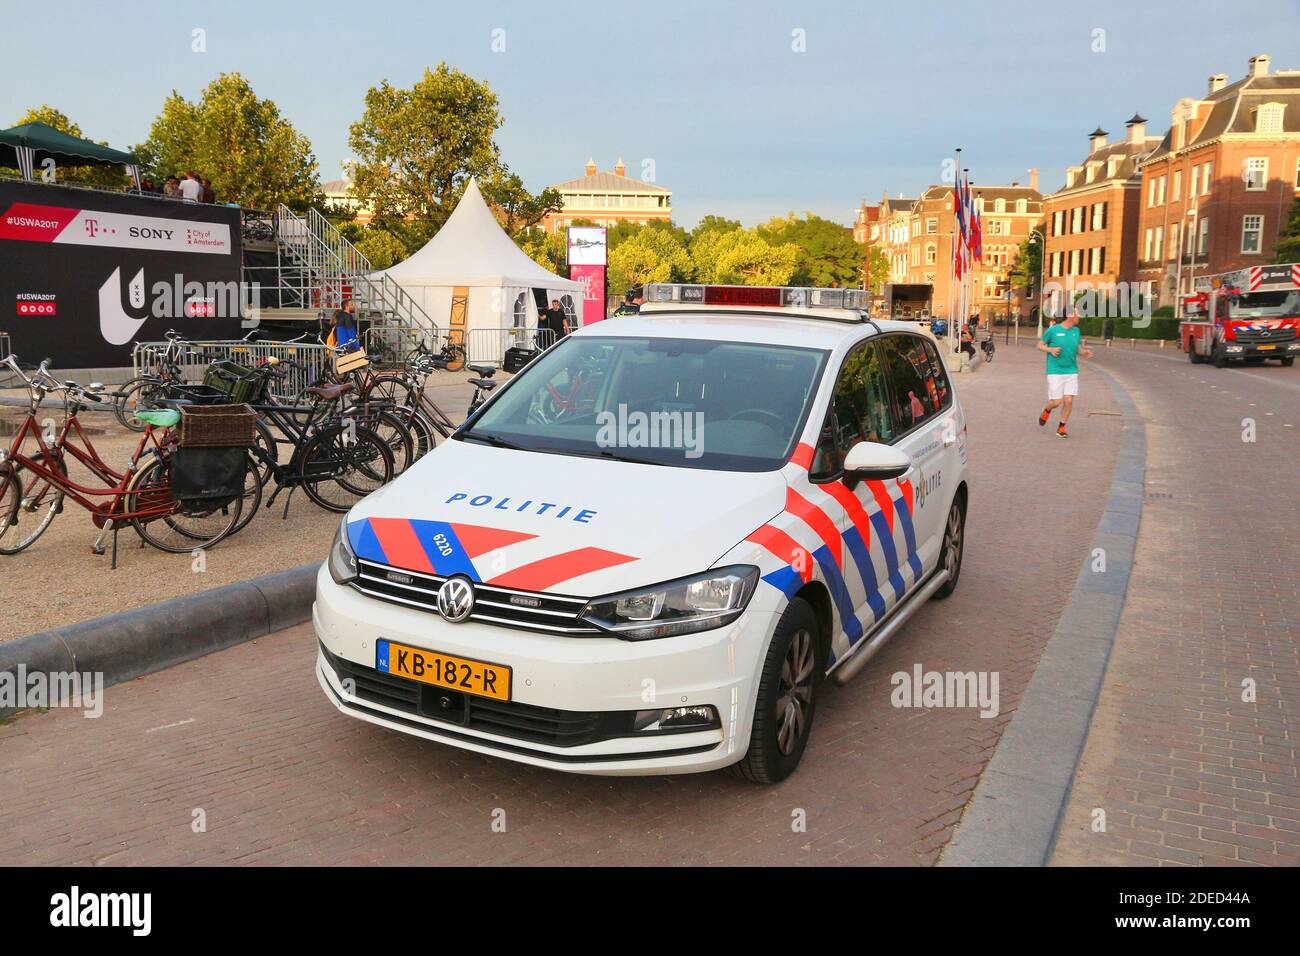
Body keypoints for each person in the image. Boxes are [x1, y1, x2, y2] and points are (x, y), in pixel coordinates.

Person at [1037, 310, 1094, 439]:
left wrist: (1084, 352)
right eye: (1077, 314)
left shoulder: (1076, 331)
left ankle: (1061, 426)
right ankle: (1047, 409)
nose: (1079, 316)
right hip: (1055, 371)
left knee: (1068, 400)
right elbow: (1040, 345)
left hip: (1071, 371)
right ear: (1069, 315)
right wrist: (1050, 349)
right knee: (1056, 402)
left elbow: (1076, 347)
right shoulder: (1053, 330)